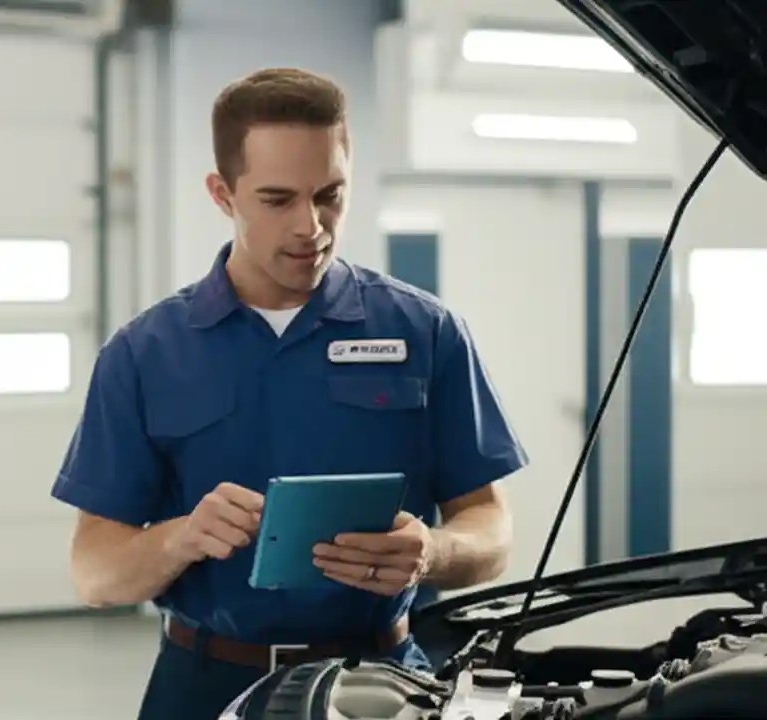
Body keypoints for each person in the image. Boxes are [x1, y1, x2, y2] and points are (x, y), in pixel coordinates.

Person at [51, 67, 526, 719]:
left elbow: (491, 528)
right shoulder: (144, 354)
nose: (311, 227)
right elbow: (95, 572)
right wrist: (184, 536)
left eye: (330, 194)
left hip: (383, 685)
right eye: (278, 200)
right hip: (203, 686)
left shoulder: (426, 332)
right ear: (223, 193)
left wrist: (434, 550)